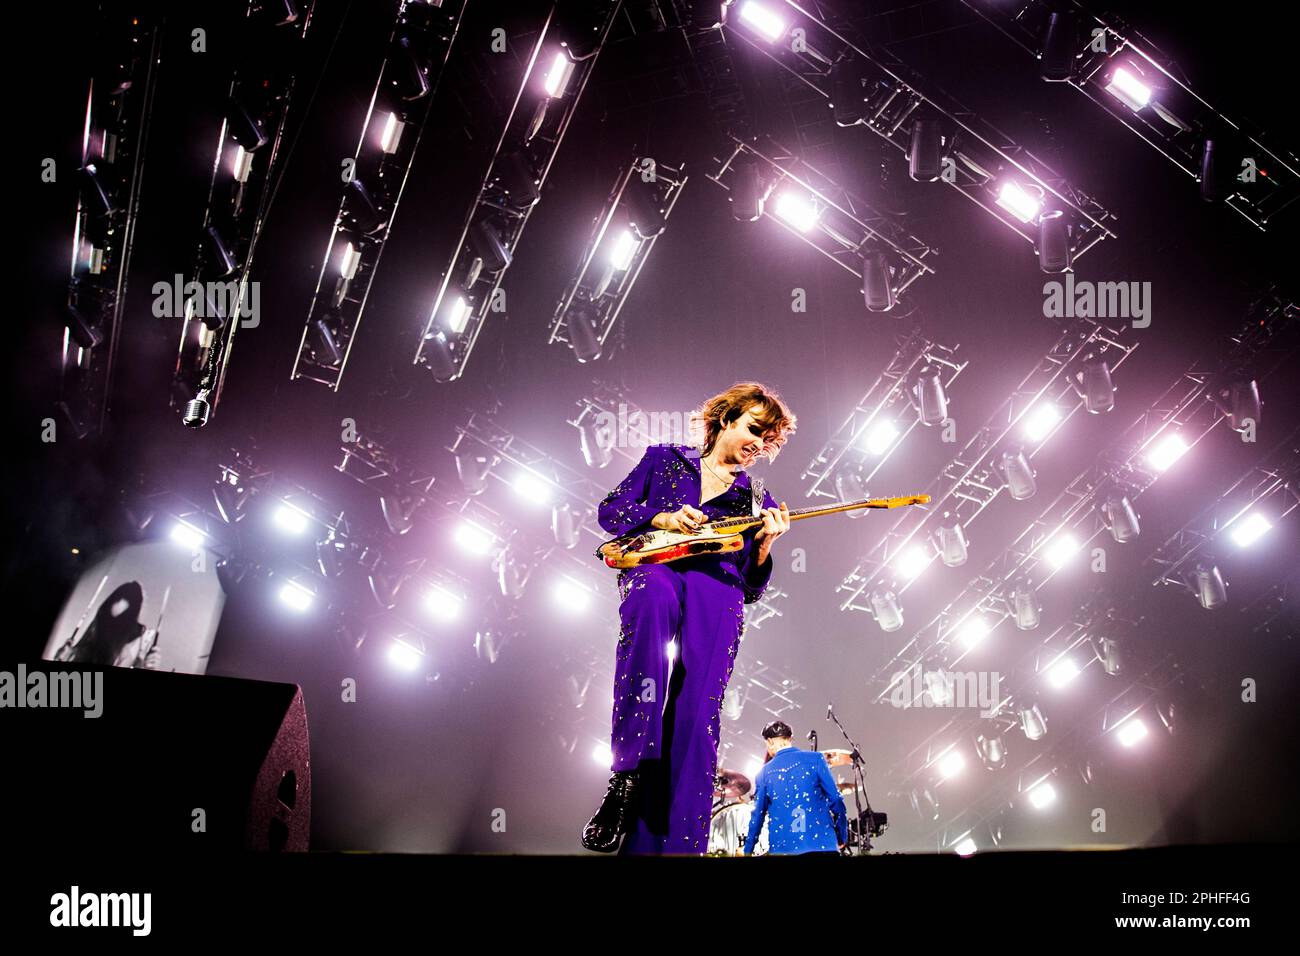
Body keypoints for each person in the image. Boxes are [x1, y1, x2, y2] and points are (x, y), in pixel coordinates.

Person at [581, 382, 797, 854]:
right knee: (651, 603)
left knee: (698, 710)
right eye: (755, 429)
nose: (760, 443)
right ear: (726, 418)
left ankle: (676, 844)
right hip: (656, 567)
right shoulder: (664, 460)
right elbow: (610, 510)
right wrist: (661, 517)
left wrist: (764, 546)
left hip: (717, 587)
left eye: (769, 439)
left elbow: (753, 587)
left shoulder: (755, 496)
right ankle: (626, 778)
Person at [743, 720, 849, 857]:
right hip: (823, 846)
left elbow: (757, 816)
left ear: (769, 742)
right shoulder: (816, 759)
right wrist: (842, 834)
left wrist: (748, 851)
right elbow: (835, 799)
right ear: (790, 739)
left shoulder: (763, 773)